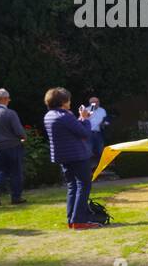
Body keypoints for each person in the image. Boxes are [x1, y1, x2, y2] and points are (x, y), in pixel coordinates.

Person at [43, 88, 103, 230]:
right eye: (68, 100)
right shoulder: (65, 116)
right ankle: (80, 221)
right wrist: (86, 119)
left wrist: (81, 118)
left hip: (63, 156)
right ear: (63, 102)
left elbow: (72, 129)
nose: (70, 102)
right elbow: (84, 133)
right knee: (84, 185)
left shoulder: (50, 115)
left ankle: (72, 220)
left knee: (72, 186)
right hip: (76, 155)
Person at [83, 96, 108, 166]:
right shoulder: (86, 110)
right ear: (90, 103)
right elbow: (83, 121)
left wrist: (104, 123)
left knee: (101, 150)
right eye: (94, 102)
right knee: (89, 150)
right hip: (89, 133)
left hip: (99, 133)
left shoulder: (102, 110)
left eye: (97, 102)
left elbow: (106, 120)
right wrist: (91, 109)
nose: (96, 103)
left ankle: (101, 166)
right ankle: (89, 167)